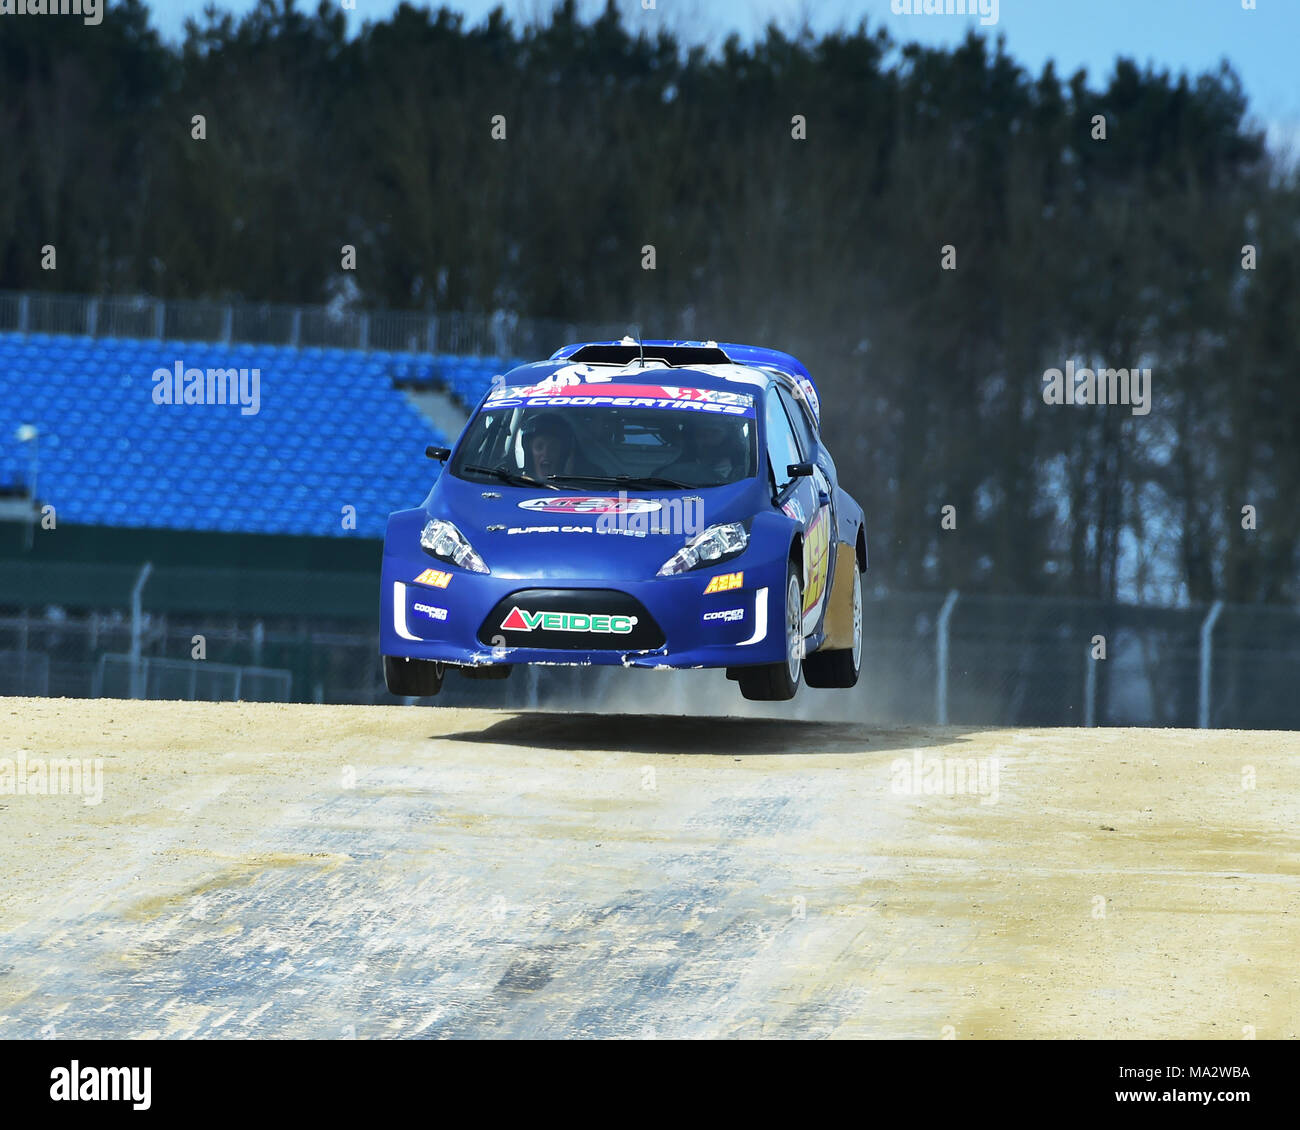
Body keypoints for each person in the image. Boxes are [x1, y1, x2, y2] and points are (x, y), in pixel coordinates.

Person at [658, 414, 747, 485]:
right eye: (701, 434)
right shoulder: (674, 473)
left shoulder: (748, 470)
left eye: (714, 433)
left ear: (729, 437)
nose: (707, 439)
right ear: (693, 439)